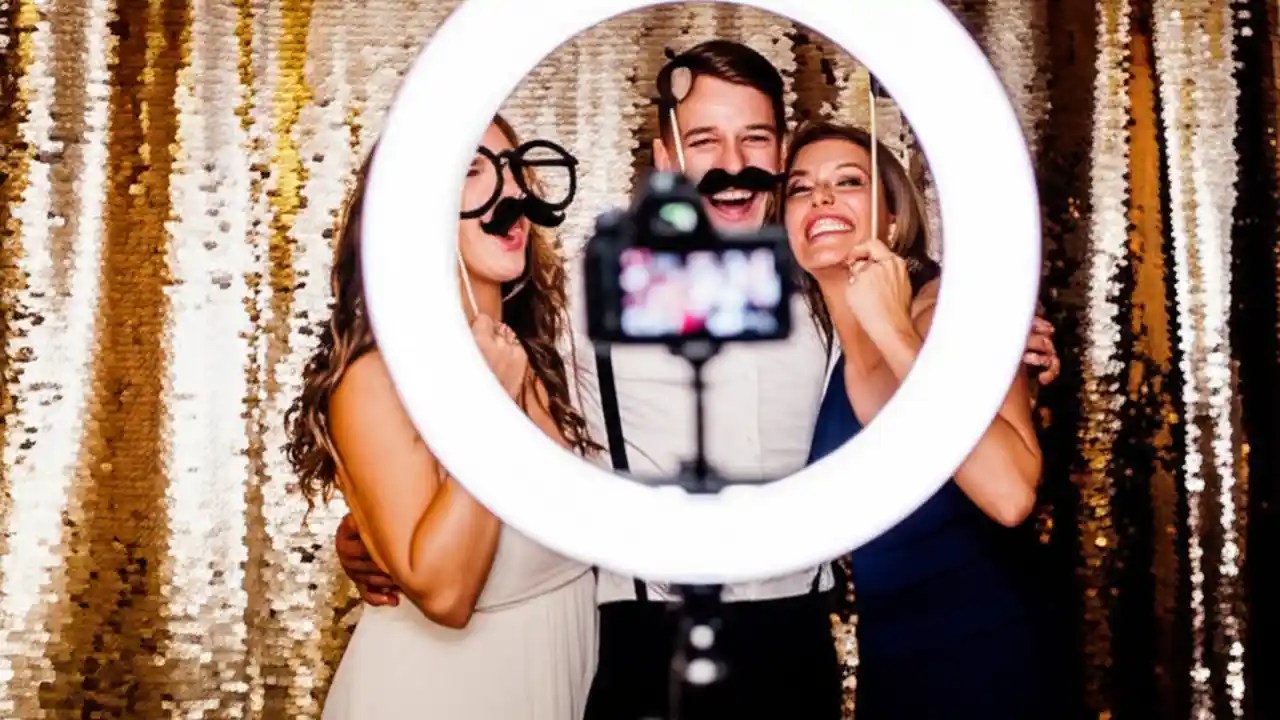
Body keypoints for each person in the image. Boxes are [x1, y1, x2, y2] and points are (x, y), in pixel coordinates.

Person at [333, 40, 1062, 718]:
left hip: (800, 642)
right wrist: (368, 530)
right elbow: (461, 425)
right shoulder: (578, 298)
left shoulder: (831, 284)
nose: (731, 161)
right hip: (643, 640)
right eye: (704, 141)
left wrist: (988, 345)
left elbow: (926, 332)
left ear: (778, 154)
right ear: (664, 157)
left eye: (754, 139)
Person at [284, 116, 600, 719]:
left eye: (514, 172)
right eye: (473, 172)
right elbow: (447, 593)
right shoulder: (378, 379)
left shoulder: (541, 358)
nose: (509, 194)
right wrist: (490, 410)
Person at [786, 119, 1049, 718]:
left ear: (894, 220)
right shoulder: (823, 342)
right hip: (892, 669)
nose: (820, 197)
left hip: (987, 666)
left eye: (846, 181)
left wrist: (896, 333)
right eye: (800, 188)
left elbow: (1010, 495)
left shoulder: (957, 311)